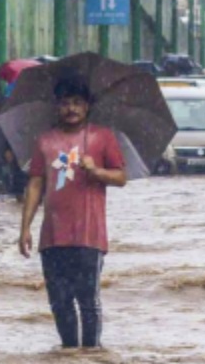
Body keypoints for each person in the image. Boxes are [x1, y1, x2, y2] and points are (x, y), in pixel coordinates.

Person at [19, 76, 126, 349]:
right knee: (59, 301)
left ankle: (90, 356)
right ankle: (68, 354)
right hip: (53, 236)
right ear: (57, 107)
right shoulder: (45, 140)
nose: (71, 109)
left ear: (88, 106)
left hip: (89, 235)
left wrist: (97, 171)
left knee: (88, 301)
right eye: (65, 103)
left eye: (77, 103)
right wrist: (25, 228)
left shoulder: (102, 137)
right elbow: (35, 184)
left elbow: (121, 177)